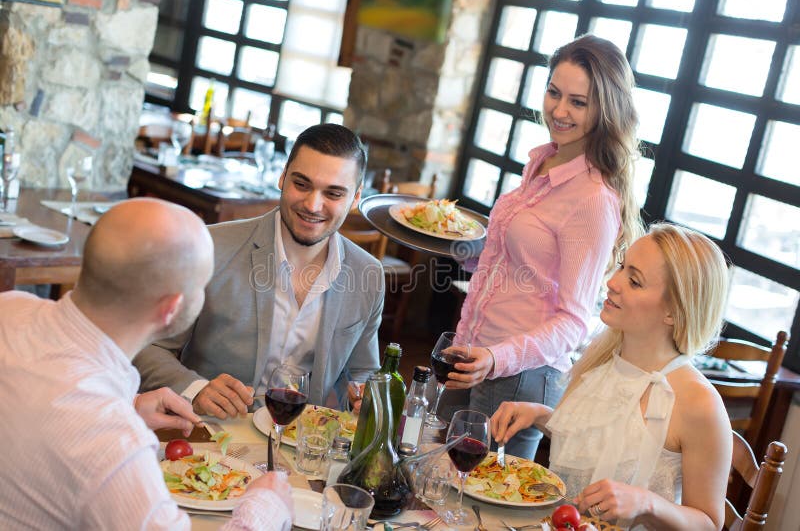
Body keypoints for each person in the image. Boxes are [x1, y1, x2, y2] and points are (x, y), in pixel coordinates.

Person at [0, 199, 293, 530]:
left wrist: (131, 404)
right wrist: (264, 507)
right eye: (202, 285)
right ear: (170, 309)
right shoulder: (114, 443)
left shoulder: (9, 308)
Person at [443, 34, 645, 459]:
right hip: (472, 351)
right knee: (433, 483)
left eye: (578, 101)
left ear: (605, 109)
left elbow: (573, 321)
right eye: (554, 92)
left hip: (518, 376)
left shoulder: (593, 199)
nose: (558, 110)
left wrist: (495, 359)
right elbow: (519, 262)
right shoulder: (544, 161)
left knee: (484, 509)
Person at [492, 224, 732, 530]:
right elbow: (606, 443)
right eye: (621, 266)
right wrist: (541, 416)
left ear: (673, 312)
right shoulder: (602, 362)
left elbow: (710, 523)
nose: (612, 282)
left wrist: (647, 504)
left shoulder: (699, 402)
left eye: (634, 281)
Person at [134, 123, 383, 419]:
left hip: (302, 448)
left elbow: (363, 372)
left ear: (355, 198)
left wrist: (367, 394)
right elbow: (147, 346)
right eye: (301, 184)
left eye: (333, 193)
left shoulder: (369, 273)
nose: (313, 204)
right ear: (282, 177)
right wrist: (195, 388)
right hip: (210, 434)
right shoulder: (210, 246)